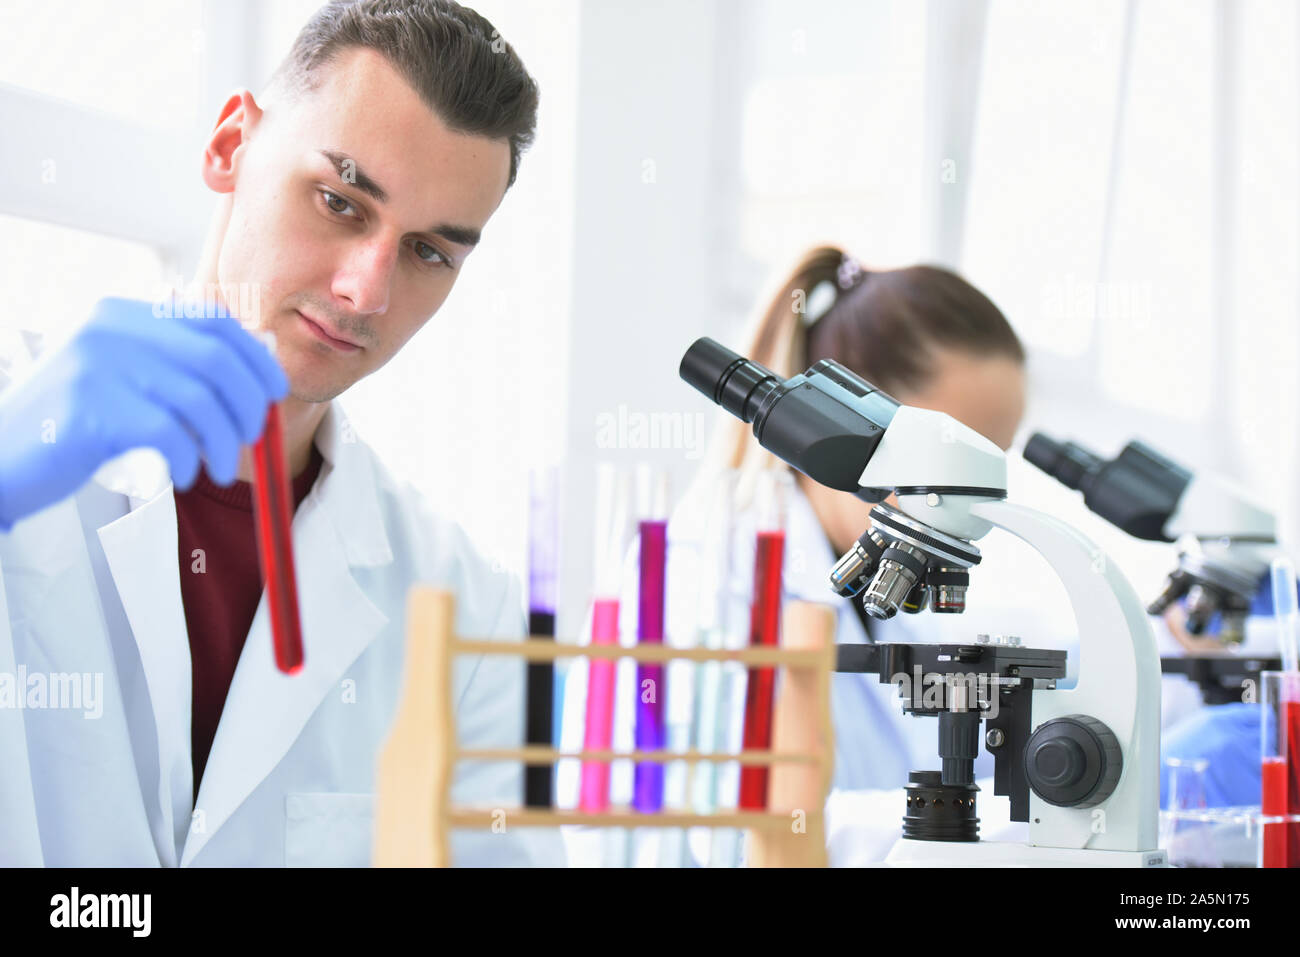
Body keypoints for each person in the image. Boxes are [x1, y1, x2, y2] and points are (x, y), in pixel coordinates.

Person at [0, 0, 562, 867]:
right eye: (340, 201)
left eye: (428, 253)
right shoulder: (20, 428)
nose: (366, 290)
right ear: (231, 146)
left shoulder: (464, 611)